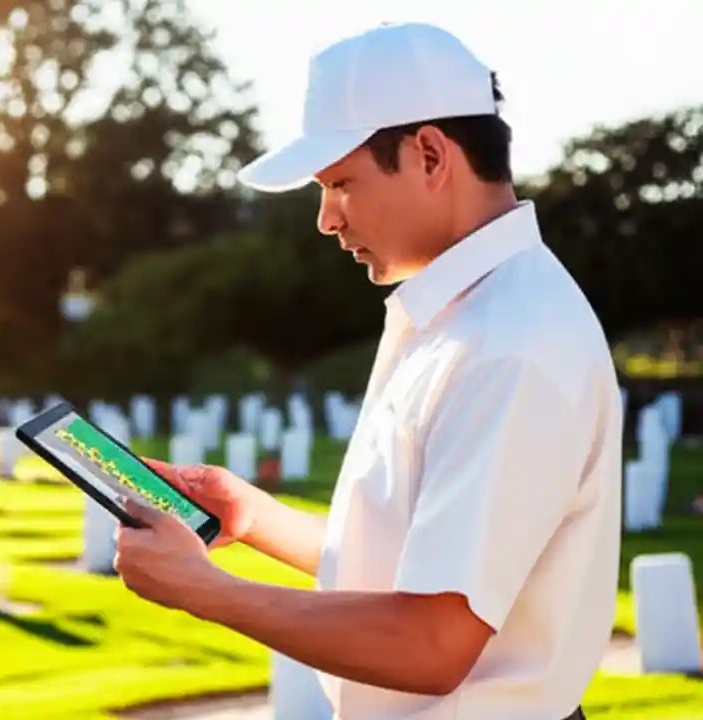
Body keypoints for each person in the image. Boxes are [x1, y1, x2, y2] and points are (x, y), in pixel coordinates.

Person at [112, 21, 621, 720]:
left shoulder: (512, 342)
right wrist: (251, 514)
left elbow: (435, 641)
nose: (325, 219)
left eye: (342, 183)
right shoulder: (464, 315)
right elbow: (419, 568)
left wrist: (207, 590)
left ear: (431, 155)